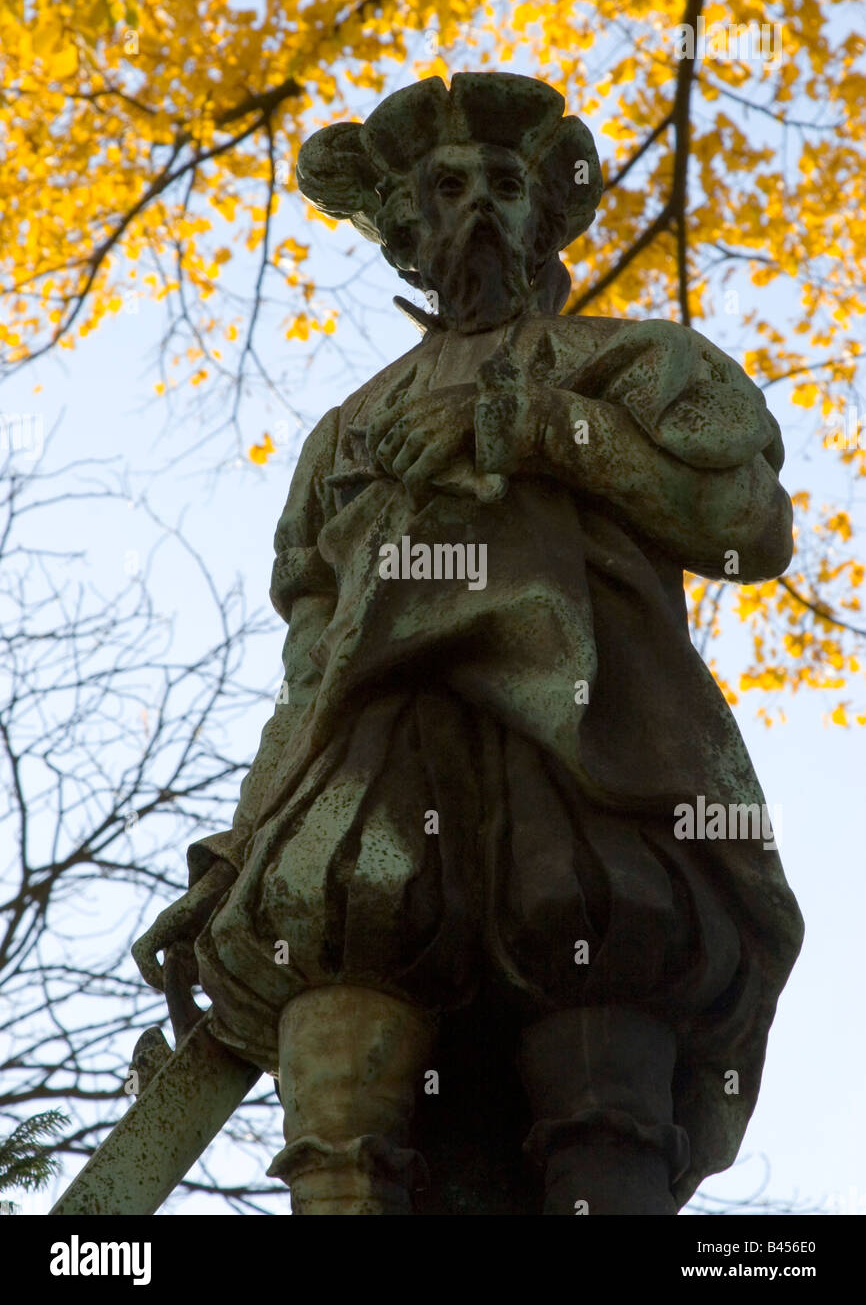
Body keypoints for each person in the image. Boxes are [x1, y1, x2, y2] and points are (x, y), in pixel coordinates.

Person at [134, 73, 803, 1215]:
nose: (482, 207)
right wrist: (236, 856)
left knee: (602, 1105)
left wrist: (545, 430)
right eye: (448, 186)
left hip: (594, 778)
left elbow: (744, 527)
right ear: (403, 228)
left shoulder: (634, 362)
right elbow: (307, 669)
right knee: (337, 1099)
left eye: (507, 183)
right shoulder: (345, 435)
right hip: (369, 793)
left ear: (546, 212)